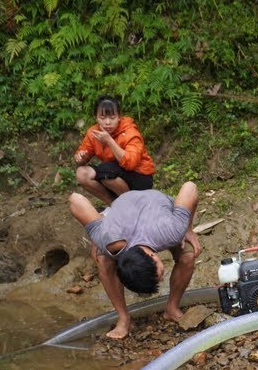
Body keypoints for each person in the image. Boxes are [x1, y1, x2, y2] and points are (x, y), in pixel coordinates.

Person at [69, 182, 202, 340]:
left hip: (158, 207)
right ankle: (123, 318)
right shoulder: (109, 239)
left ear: (153, 256)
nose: (161, 275)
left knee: (187, 255)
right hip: (121, 211)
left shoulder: (171, 229)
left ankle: (172, 308)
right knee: (103, 260)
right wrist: (96, 236)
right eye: (160, 273)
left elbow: (190, 187)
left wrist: (188, 230)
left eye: (159, 273)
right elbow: (74, 199)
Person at [74, 95, 157, 205]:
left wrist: (109, 141)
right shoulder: (93, 133)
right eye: (102, 118)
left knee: (105, 171)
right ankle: (113, 204)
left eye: (112, 118)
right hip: (114, 173)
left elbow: (131, 163)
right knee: (82, 173)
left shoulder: (130, 132)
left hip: (140, 177)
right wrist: (81, 158)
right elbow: (81, 156)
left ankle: (131, 205)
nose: (107, 122)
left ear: (119, 117)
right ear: (96, 118)